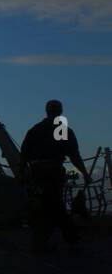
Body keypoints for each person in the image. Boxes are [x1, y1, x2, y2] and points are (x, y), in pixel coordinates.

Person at [20, 100, 92, 253]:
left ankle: (43, 242)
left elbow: (23, 155)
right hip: (53, 173)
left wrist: (21, 176)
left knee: (48, 206)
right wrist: (84, 173)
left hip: (37, 173)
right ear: (60, 112)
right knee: (55, 206)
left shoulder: (35, 130)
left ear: (46, 111)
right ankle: (69, 240)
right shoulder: (62, 130)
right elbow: (73, 155)